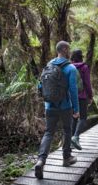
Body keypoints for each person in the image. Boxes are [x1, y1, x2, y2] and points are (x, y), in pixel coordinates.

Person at [34, 41, 80, 179]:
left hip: (49, 106)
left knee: (48, 133)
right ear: (65, 50)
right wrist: (76, 109)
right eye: (69, 49)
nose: (69, 51)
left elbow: (40, 86)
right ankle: (66, 158)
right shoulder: (70, 68)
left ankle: (41, 160)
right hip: (65, 106)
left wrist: (47, 102)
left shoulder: (48, 66)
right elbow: (73, 90)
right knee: (67, 130)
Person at [70, 49, 93, 150]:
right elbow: (87, 83)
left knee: (74, 118)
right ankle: (75, 137)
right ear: (81, 56)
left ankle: (70, 141)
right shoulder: (84, 67)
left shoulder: (69, 67)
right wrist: (90, 96)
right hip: (82, 96)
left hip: (71, 96)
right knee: (83, 118)